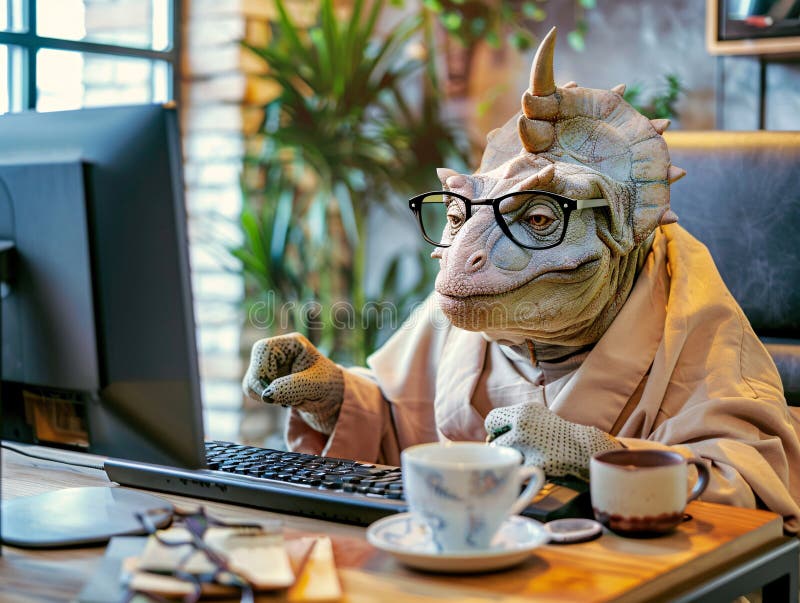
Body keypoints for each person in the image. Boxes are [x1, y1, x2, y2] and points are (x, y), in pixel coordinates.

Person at [242, 28, 800, 533]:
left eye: (538, 220)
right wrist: (334, 396)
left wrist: (600, 457)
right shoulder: (474, 303)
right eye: (461, 217)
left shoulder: (690, 313)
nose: (463, 254)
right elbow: (402, 415)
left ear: (616, 235)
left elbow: (753, 489)